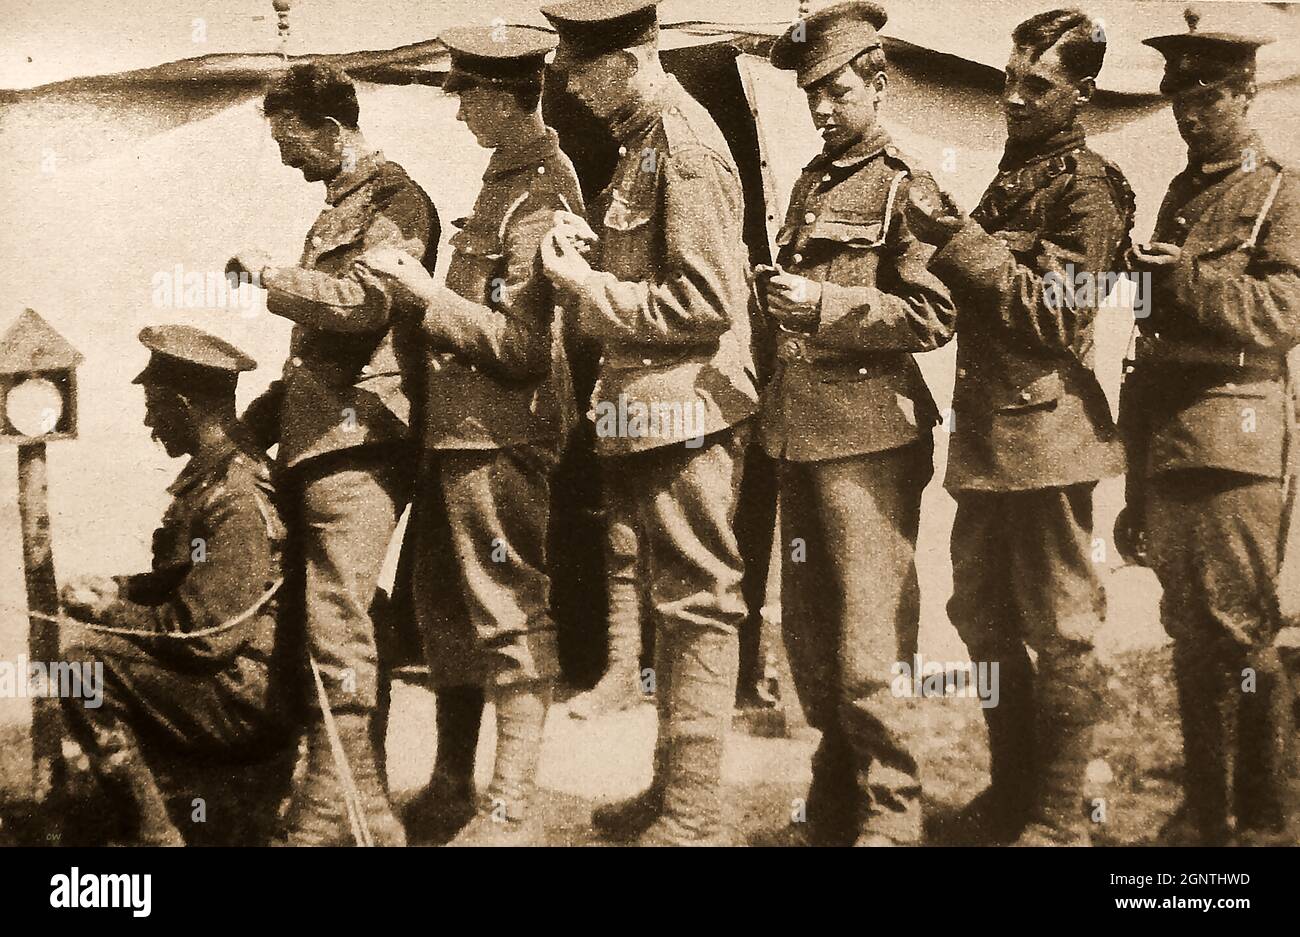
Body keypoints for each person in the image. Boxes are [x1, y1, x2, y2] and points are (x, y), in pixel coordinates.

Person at [905, 8, 1133, 845]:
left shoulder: (1091, 186)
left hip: (1047, 441)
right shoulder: (1016, 172)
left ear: (1082, 92)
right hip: (989, 443)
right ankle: (1011, 790)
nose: (1011, 97)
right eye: (1009, 77)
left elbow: (1057, 318)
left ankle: (1060, 814)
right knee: (984, 618)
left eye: (1035, 85)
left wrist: (960, 237)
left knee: (1063, 629)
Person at [356, 25, 584, 846]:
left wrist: (421, 294)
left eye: (467, 97)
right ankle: (454, 785)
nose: (458, 114)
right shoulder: (502, 186)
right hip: (457, 440)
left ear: (505, 95)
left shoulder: (542, 197)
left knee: (509, 611)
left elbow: (524, 348)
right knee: (445, 610)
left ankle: (510, 808)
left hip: (500, 438)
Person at [538, 0, 759, 844]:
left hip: (689, 408)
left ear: (628, 62)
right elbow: (655, 266)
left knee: (699, 604)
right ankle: (673, 792)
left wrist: (589, 293)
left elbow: (705, 300)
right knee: (673, 603)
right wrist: (588, 252)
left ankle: (695, 816)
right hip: (653, 407)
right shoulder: (642, 140)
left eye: (581, 70)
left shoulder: (687, 148)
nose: (570, 85)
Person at [758, 1, 956, 846]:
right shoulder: (812, 179)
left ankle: (892, 812)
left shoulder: (906, 184)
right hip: (800, 432)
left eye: (837, 91)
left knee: (872, 642)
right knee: (809, 633)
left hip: (872, 437)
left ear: (879, 82)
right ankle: (836, 794)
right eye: (811, 96)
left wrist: (825, 304)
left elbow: (932, 313)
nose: (822, 109)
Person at [230, 62, 440, 845]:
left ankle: (334, 811)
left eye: (291, 141)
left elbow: (367, 303)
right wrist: (258, 422)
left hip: (362, 445)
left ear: (331, 129)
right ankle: (366, 809)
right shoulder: (341, 206)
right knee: (337, 621)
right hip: (323, 443)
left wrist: (272, 280)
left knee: (339, 622)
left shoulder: (395, 201)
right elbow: (316, 355)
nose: (287, 157)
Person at [1119, 11, 1300, 845]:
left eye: (1209, 98)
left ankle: (1262, 811)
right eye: (1178, 97)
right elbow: (1151, 344)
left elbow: (1280, 314)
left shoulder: (1282, 194)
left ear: (1247, 95)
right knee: (1189, 636)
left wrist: (1182, 278)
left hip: (1238, 441)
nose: (1190, 113)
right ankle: (1210, 809)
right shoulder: (1181, 193)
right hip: (1171, 446)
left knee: (1240, 632)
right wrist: (1132, 481)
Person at [58, 325, 289, 846]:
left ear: (185, 405)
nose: (148, 422)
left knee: (77, 665)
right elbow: (188, 580)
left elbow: (205, 637)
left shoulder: (234, 496)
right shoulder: (215, 479)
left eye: (154, 407)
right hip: (238, 681)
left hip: (245, 696)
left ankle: (154, 836)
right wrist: (120, 588)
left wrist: (108, 611)